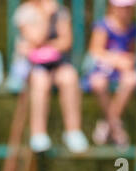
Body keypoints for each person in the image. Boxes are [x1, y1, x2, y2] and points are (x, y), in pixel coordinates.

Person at [13, 0, 88, 153]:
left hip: (56, 63)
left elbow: (66, 42)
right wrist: (46, 17)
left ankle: (73, 131)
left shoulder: (61, 11)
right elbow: (36, 39)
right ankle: (38, 133)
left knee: (70, 77)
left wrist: (46, 47)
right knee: (41, 81)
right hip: (31, 66)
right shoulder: (24, 12)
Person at [83, 0, 136, 147]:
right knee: (99, 83)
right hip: (102, 70)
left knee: (131, 80)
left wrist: (127, 61)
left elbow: (132, 54)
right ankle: (116, 128)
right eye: (122, 8)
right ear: (112, 8)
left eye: (129, 8)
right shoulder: (103, 26)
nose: (125, 12)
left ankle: (109, 124)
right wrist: (117, 60)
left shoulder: (132, 29)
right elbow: (96, 51)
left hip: (121, 73)